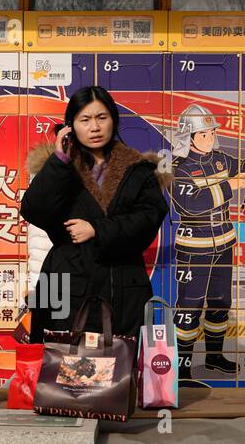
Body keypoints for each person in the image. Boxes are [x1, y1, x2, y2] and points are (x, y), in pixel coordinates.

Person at [21, 86, 168, 341]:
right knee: (59, 365)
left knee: (121, 369)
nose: (95, 127)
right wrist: (59, 160)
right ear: (71, 126)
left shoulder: (139, 169)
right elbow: (34, 209)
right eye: (85, 120)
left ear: (114, 119)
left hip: (123, 283)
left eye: (102, 117)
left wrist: (97, 229)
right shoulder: (58, 166)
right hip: (64, 282)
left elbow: (149, 218)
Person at [170, 102, 245, 384]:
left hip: (224, 243)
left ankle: (214, 356)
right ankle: (183, 367)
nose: (211, 137)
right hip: (194, 249)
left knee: (220, 303)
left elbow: (240, 166)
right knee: (189, 307)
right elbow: (192, 204)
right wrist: (231, 187)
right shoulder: (178, 169)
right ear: (189, 137)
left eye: (212, 132)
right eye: (204, 134)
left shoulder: (218, 159)